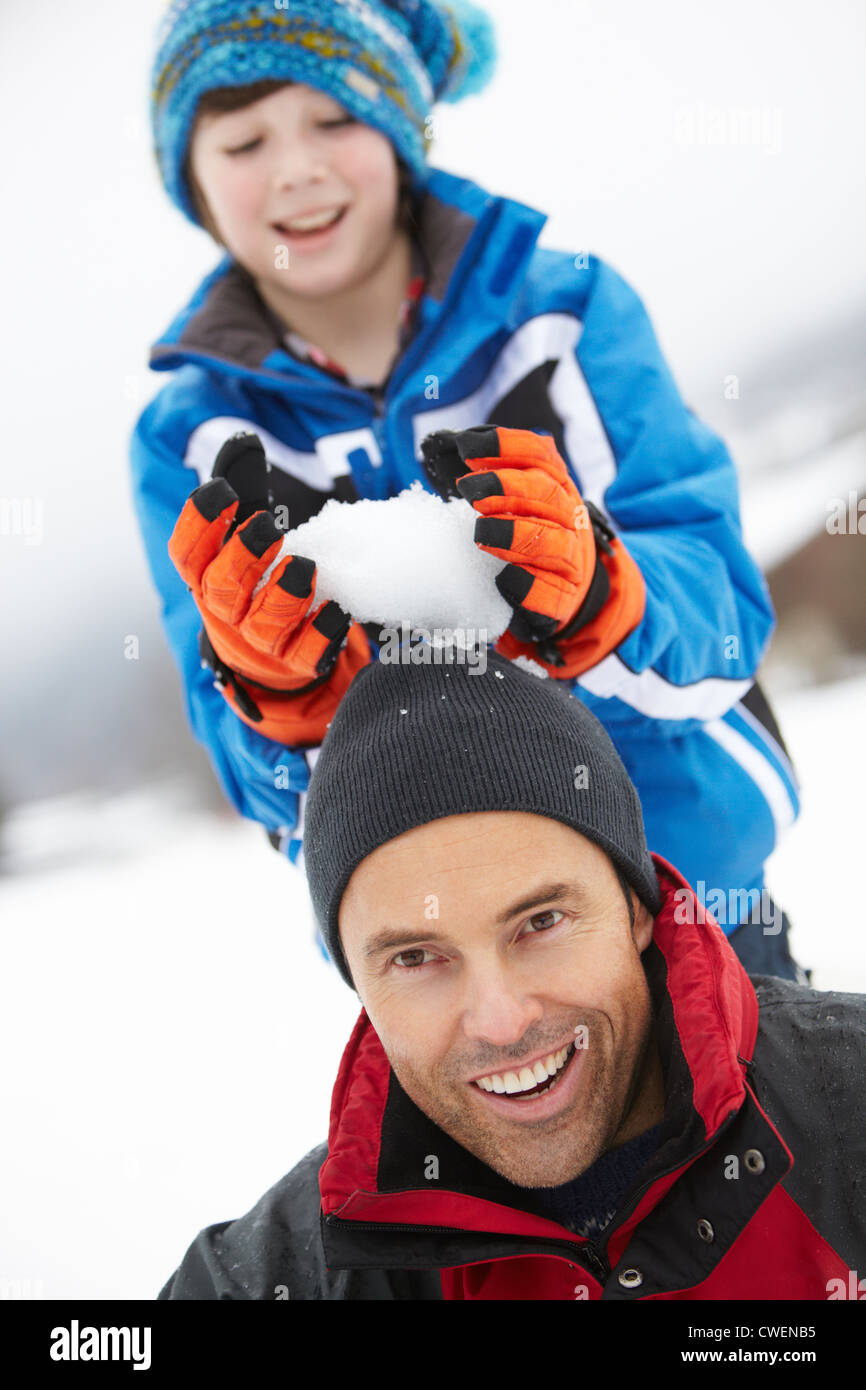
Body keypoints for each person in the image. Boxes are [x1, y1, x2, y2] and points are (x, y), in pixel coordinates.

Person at [130, 0, 803, 979]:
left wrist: (601, 590)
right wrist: (275, 699)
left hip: (688, 890)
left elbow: (718, 602)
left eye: (335, 118)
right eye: (240, 139)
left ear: (401, 127)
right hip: (433, 958)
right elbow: (244, 755)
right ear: (188, 176)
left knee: (776, 1126)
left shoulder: (564, 312)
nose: (294, 168)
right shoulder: (184, 438)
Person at [158, 654, 865, 1300]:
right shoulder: (289, 1276)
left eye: (541, 922)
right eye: (414, 958)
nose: (501, 1021)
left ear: (636, 907)